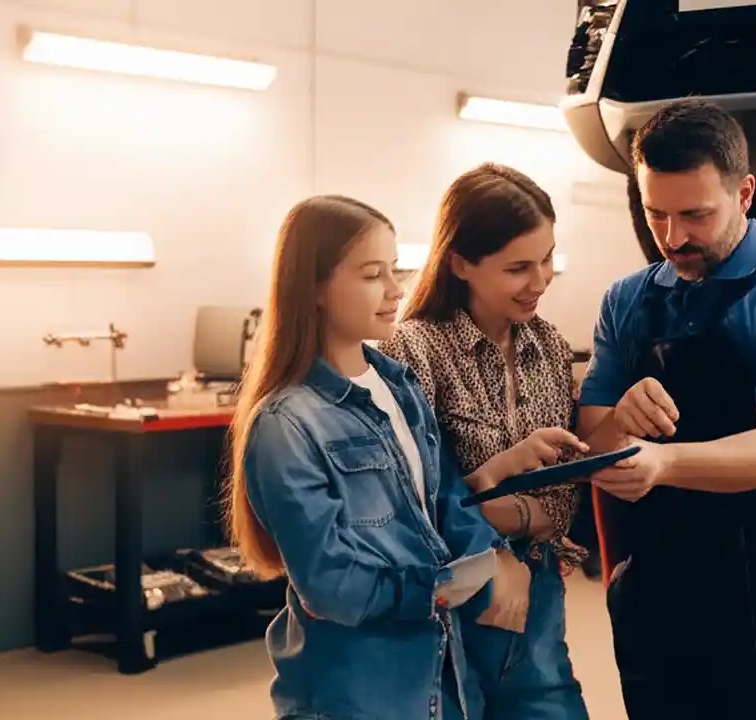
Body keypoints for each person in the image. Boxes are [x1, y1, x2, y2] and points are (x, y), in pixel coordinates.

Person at [578, 99, 756, 719]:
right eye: (656, 214)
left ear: (745, 193)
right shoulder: (625, 301)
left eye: (695, 215)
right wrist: (620, 420)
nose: (673, 237)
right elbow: (592, 447)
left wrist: (662, 463)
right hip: (662, 580)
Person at [226, 194, 531, 720]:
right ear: (314, 287)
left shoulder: (398, 383)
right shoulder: (286, 424)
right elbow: (331, 585)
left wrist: (494, 554)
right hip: (355, 692)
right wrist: (446, 586)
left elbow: (443, 496)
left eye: (395, 269)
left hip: (438, 673)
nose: (396, 289)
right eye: (372, 275)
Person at [380, 163, 591, 719]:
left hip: (538, 586)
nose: (540, 281)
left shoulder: (549, 345)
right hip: (456, 592)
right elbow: (410, 499)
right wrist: (499, 533)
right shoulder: (415, 349)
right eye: (518, 268)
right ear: (460, 263)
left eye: (547, 259)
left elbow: (561, 495)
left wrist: (512, 513)